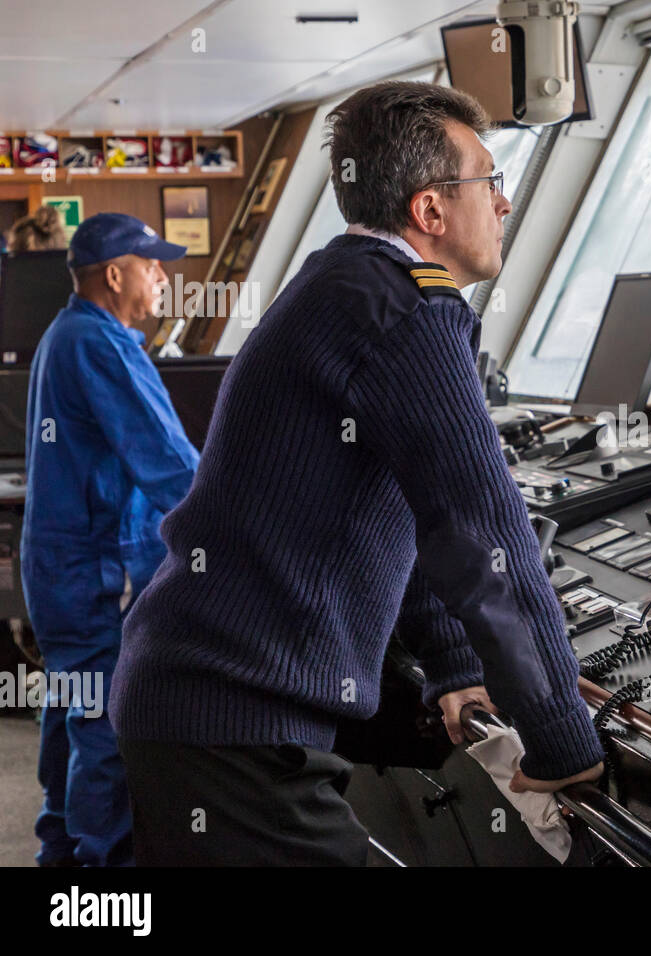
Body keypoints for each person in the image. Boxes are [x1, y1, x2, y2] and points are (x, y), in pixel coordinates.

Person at [110, 81, 605, 866]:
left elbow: (403, 509)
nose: (505, 205)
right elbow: (484, 535)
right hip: (231, 718)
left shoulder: (347, 284)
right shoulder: (408, 309)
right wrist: (562, 740)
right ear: (430, 210)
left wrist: (455, 668)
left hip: (201, 698)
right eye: (490, 180)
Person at [22, 213, 199, 866]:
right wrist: (243, 522)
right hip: (92, 568)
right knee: (103, 726)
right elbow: (171, 465)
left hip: (63, 567)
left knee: (72, 708)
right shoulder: (101, 342)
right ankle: (103, 884)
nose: (161, 277)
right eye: (151, 265)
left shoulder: (66, 333)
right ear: (115, 274)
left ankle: (61, 858)